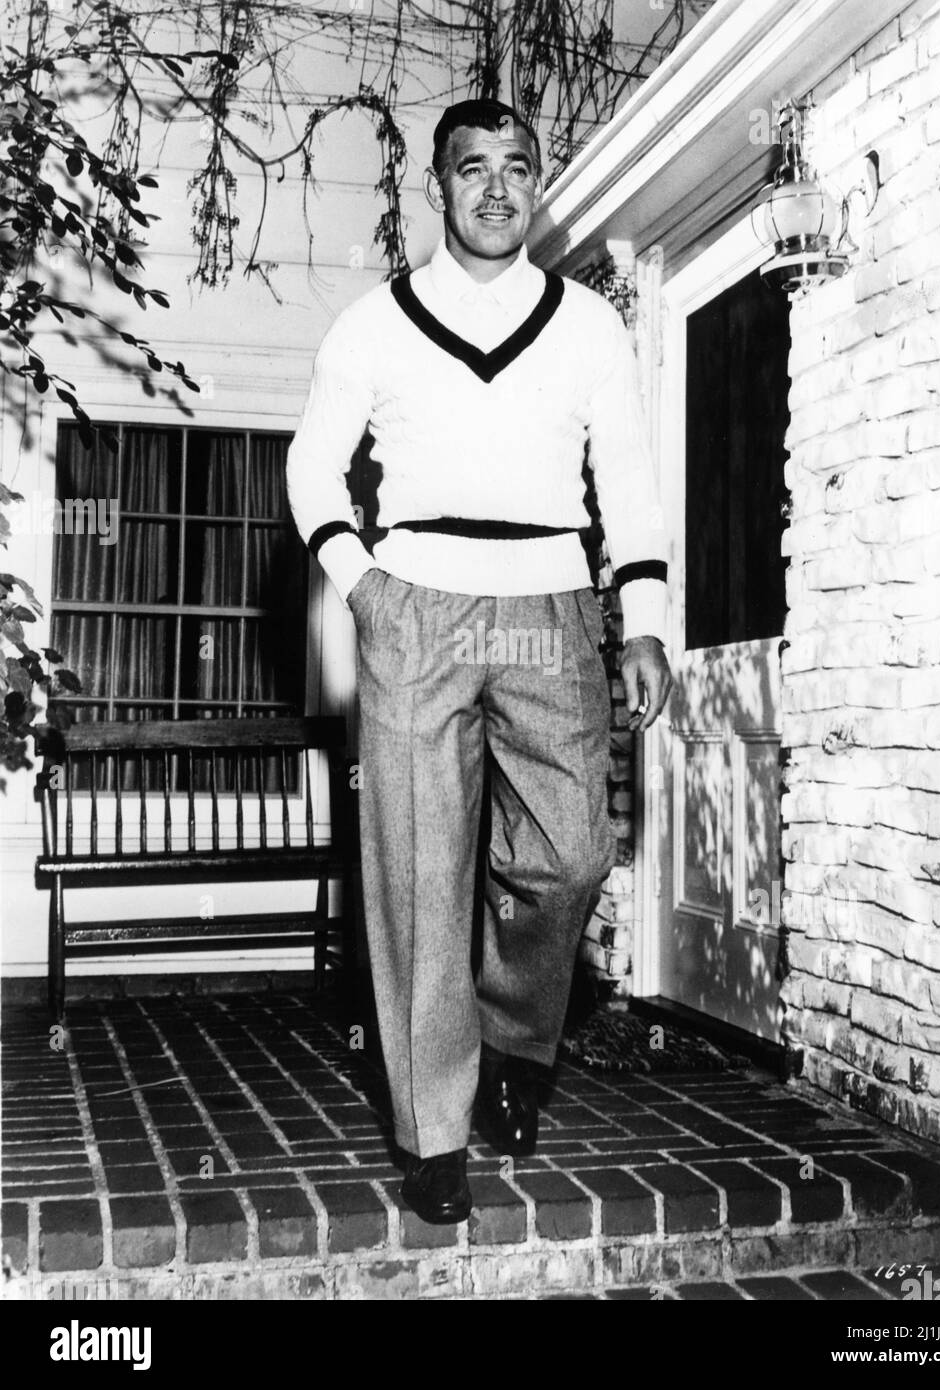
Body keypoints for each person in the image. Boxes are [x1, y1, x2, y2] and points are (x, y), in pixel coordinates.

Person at [286, 98, 672, 1224]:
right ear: (438, 188)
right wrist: (364, 584)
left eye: (515, 168)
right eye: (470, 170)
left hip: (550, 603)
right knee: (415, 868)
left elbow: (631, 481)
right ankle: (433, 1130)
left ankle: (515, 1042)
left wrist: (641, 615)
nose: (495, 189)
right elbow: (313, 468)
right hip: (417, 602)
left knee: (568, 857)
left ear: (536, 181)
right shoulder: (373, 324)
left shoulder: (589, 326)